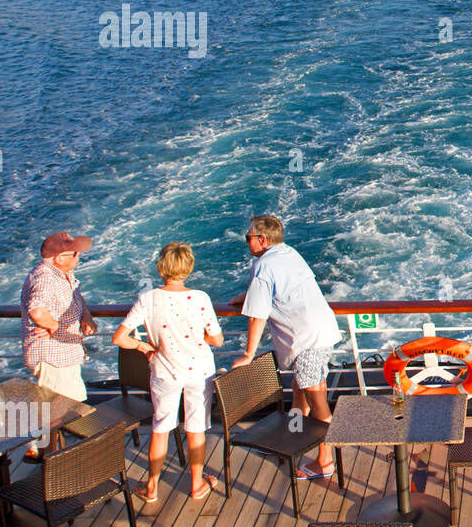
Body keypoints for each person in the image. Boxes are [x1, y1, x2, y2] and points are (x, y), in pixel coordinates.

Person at [230, 214, 340, 479]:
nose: (246, 242)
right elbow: (273, 289)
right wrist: (244, 297)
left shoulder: (264, 266)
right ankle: (293, 437)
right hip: (321, 332)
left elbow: (257, 316)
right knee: (300, 390)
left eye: (248, 237)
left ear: (262, 239)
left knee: (318, 403)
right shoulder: (289, 253)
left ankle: (325, 462)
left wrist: (248, 354)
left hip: (307, 342)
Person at [112, 242, 223, 502]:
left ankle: (151, 487)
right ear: (189, 267)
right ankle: (197, 484)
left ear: (161, 267)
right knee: (196, 428)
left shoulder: (148, 299)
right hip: (199, 371)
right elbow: (217, 340)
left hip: (165, 371)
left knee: (161, 428)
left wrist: (143, 346)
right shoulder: (200, 298)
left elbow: (119, 338)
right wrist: (200, 336)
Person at [20, 231, 97, 460]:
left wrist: (86, 315)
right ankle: (48, 459)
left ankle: (47, 453)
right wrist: (56, 327)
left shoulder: (63, 273)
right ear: (58, 258)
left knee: (67, 408)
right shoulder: (45, 278)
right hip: (52, 357)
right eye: (75, 253)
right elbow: (37, 311)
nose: (79, 256)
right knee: (55, 414)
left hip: (64, 355)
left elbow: (76, 296)